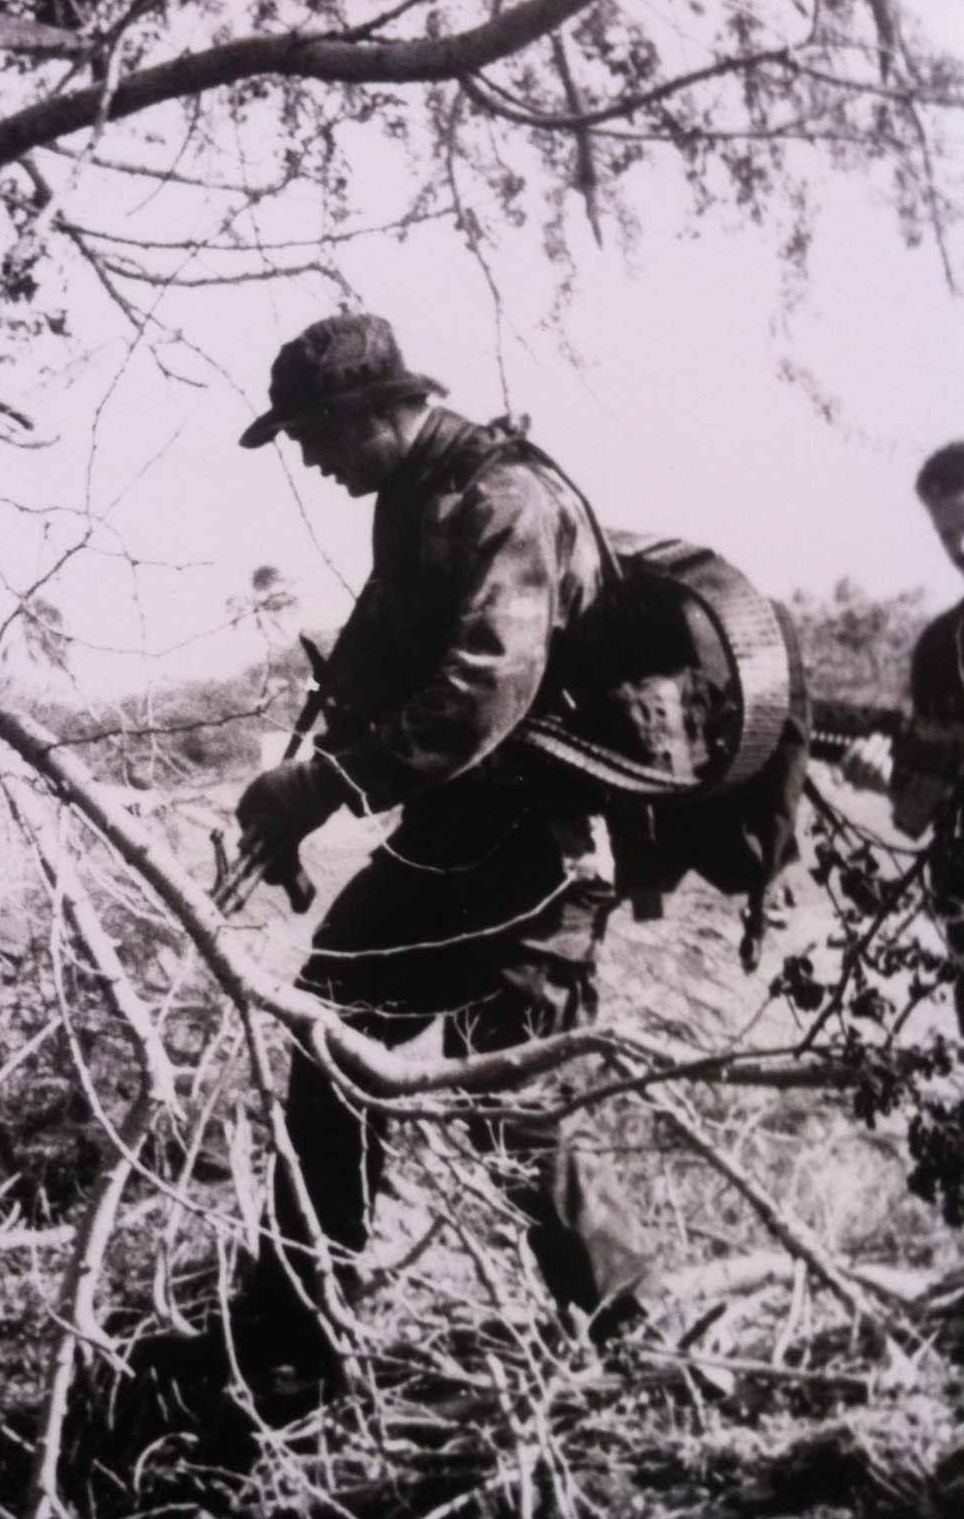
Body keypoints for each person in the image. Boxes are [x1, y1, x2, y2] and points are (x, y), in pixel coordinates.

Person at [226, 312, 654, 1407]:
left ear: (379, 409)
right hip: (451, 844)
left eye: (317, 433)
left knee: (511, 1092)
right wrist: (289, 802)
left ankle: (632, 1356)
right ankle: (297, 1338)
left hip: (545, 853)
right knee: (331, 1035)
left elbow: (479, 695)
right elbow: (371, 665)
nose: (311, 460)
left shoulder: (503, 499)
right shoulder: (414, 504)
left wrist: (322, 786)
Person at [842, 441, 964, 1029]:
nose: (960, 549)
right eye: (946, 537)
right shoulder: (939, 652)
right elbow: (926, 817)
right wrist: (890, 781)